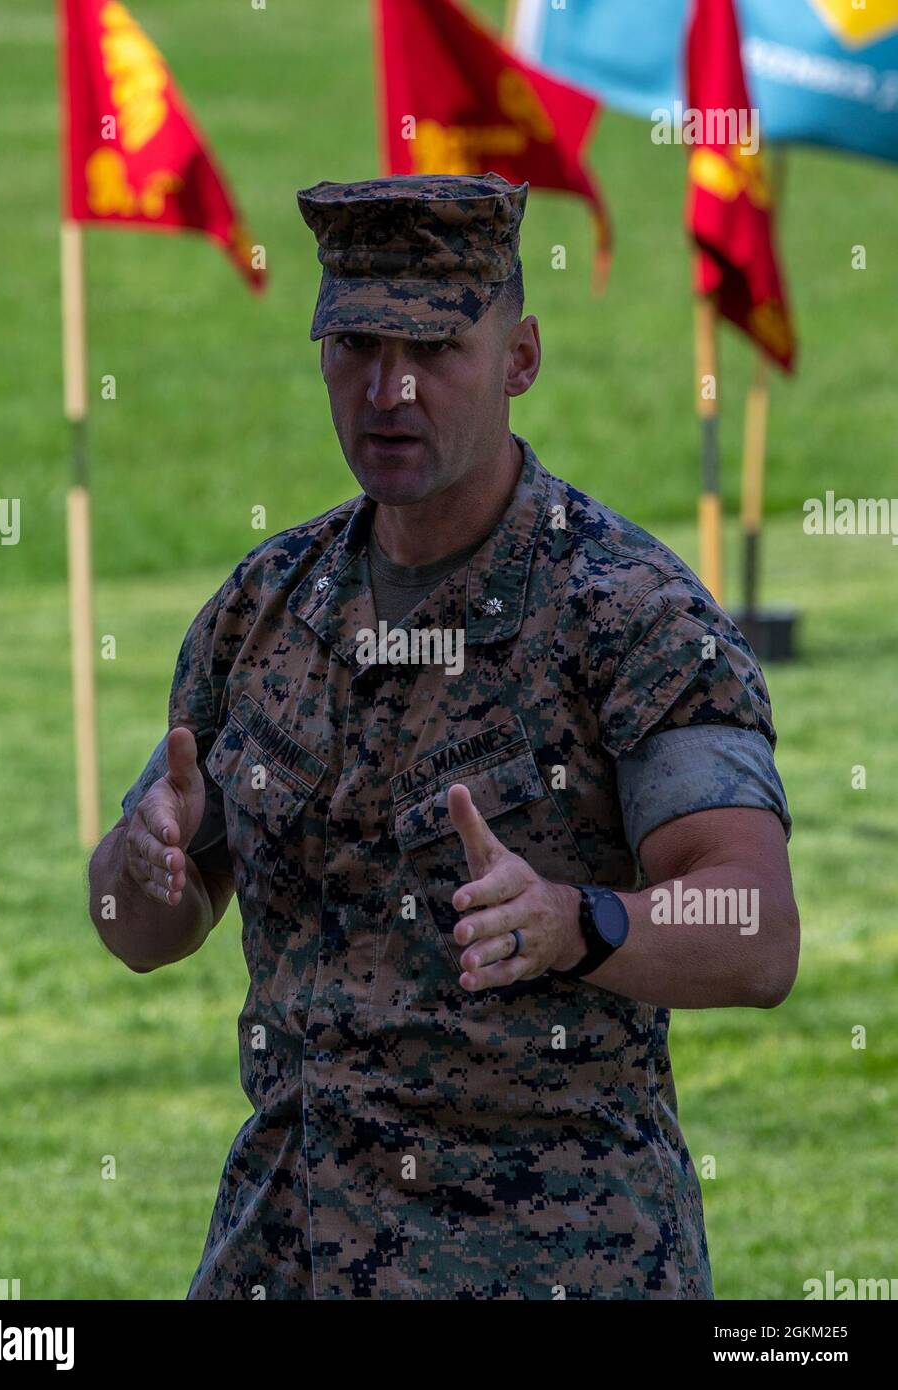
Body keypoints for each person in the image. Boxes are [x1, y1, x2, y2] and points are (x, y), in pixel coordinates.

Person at [88, 172, 799, 1300]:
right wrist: (140, 865)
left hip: (548, 1263)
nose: (390, 388)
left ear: (519, 359)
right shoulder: (265, 607)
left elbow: (755, 928)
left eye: (435, 350)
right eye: (357, 344)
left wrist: (577, 922)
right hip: (287, 1252)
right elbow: (139, 928)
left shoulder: (628, 615)